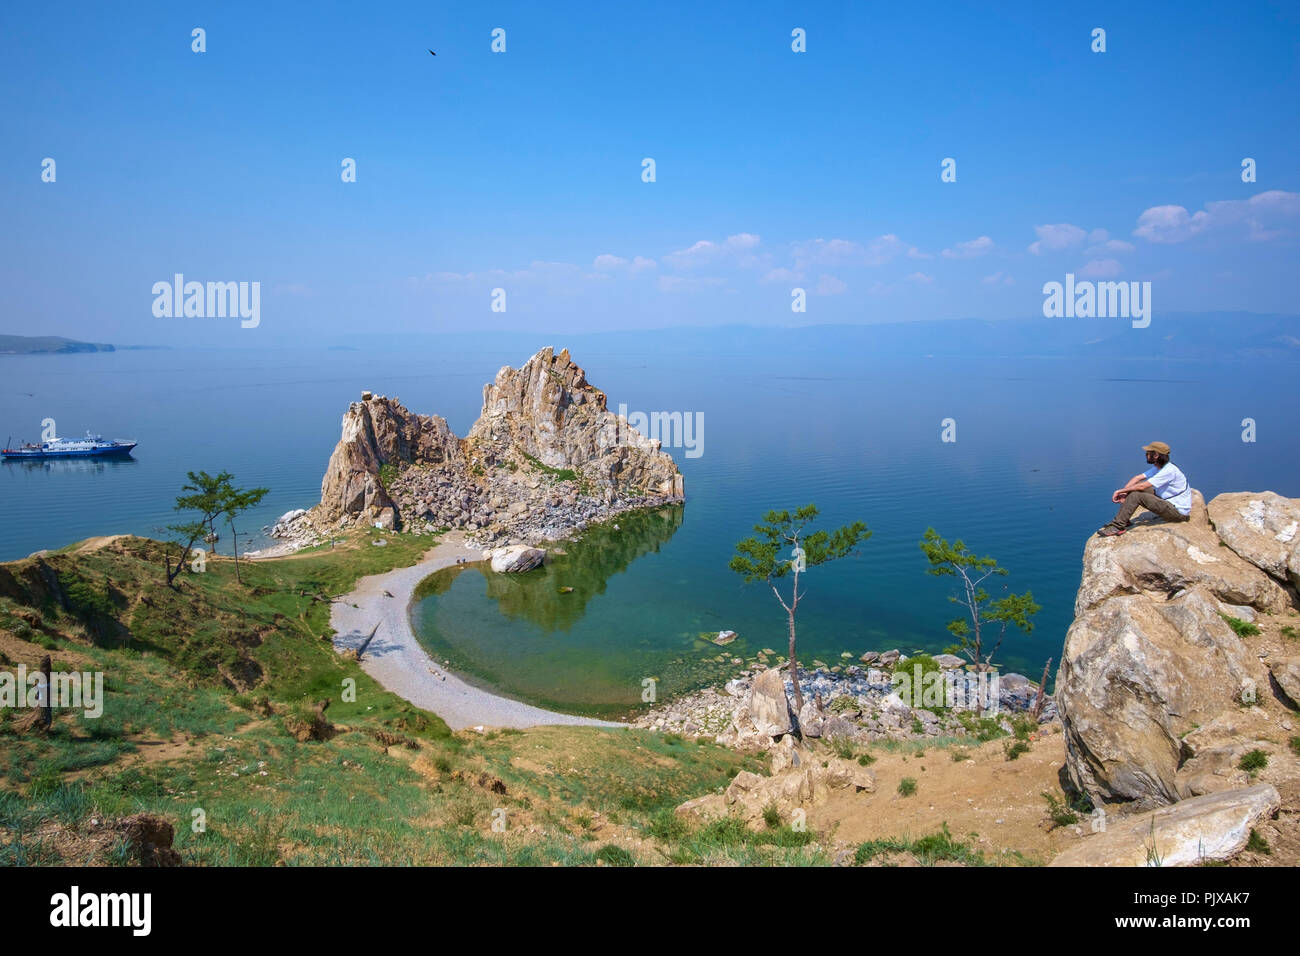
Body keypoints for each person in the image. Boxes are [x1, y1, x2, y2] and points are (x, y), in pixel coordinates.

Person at [1097, 441, 1192, 537]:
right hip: (1168, 501)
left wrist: (1119, 491)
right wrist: (1124, 493)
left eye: (1148, 453)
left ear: (1155, 455)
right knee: (1133, 489)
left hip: (1177, 512)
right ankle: (1123, 520)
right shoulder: (1160, 467)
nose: (1146, 455)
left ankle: (1117, 527)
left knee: (1136, 495)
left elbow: (1142, 486)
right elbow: (1137, 478)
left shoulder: (1168, 471)